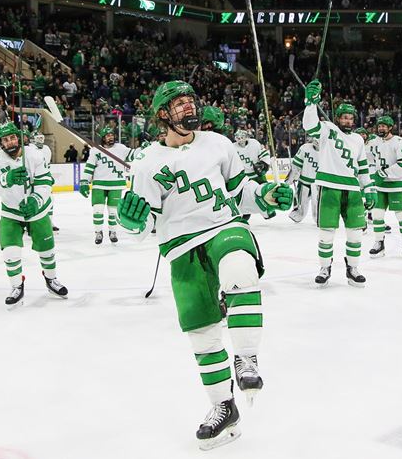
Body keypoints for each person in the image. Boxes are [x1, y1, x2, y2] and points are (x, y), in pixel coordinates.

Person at [118, 80, 293, 450]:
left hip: (223, 227)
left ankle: (246, 357)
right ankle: (224, 408)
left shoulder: (217, 143)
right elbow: (143, 225)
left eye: (190, 100)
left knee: (239, 268)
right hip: (181, 248)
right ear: (162, 114)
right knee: (202, 333)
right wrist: (131, 222)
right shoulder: (146, 164)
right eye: (179, 103)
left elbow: (241, 192)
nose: (189, 107)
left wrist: (265, 195)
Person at [0, 122, 68, 306]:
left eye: (13, 137)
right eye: (5, 139)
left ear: (19, 138)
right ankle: (16, 286)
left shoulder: (34, 155)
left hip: (37, 211)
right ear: (1, 143)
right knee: (10, 252)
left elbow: (45, 182)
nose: (10, 142)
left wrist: (35, 200)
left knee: (47, 250)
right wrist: (6, 179)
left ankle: (51, 279)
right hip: (11, 212)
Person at [302, 80, 373, 287]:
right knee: (326, 233)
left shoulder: (358, 140)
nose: (348, 121)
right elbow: (309, 125)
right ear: (338, 118)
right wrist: (310, 104)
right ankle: (325, 268)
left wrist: (369, 189)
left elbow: (363, 167)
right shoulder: (327, 130)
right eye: (344, 117)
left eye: (350, 118)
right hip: (329, 187)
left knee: (355, 233)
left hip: (353, 191)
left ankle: (353, 268)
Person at [367, 116, 402, 257]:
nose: (381, 128)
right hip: (380, 185)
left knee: (401, 214)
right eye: (379, 126)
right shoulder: (374, 142)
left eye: (384, 126)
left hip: (397, 184)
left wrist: (382, 173)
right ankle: (379, 243)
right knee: (377, 215)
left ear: (390, 127)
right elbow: (363, 153)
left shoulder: (399, 142)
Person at [80, 128, 129, 245]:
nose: (111, 137)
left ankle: (113, 232)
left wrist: (143, 149)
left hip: (116, 184)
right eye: (107, 135)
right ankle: (98, 232)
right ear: (102, 138)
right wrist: (84, 181)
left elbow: (134, 154)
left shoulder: (121, 148)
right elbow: (89, 166)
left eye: (112, 135)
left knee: (113, 211)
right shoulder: (95, 150)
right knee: (98, 210)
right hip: (99, 184)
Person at [286, 132, 319, 223]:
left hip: (319, 184)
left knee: (318, 204)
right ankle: (298, 213)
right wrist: (291, 178)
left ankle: (320, 217)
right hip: (304, 182)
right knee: (300, 203)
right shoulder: (305, 148)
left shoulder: (327, 151)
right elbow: (296, 166)